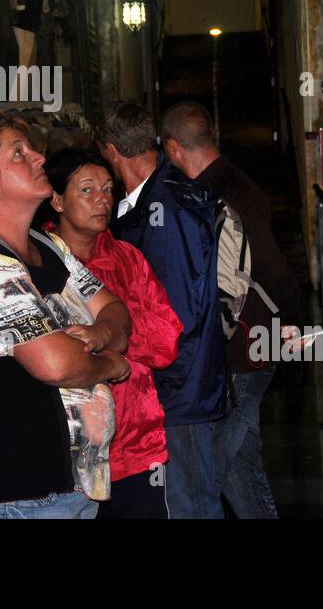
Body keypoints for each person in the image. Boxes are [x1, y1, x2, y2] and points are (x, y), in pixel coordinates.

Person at [0, 115, 132, 518]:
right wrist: (110, 363)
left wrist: (96, 335)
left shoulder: (48, 244)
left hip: (71, 483)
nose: (40, 157)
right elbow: (55, 363)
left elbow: (116, 312)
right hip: (15, 490)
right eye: (19, 154)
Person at [161, 100, 304, 520]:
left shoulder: (213, 195)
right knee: (239, 465)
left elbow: (262, 271)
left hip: (248, 346)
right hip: (258, 340)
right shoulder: (235, 180)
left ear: (172, 147)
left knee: (210, 471)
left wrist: (288, 328)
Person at [98, 102, 229, 519]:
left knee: (188, 505)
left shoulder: (168, 208)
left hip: (178, 389)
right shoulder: (151, 203)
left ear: (111, 151)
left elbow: (178, 317)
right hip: (175, 386)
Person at [39, 149, 182, 519]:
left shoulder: (128, 259)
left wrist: (108, 330)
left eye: (107, 189)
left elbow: (166, 341)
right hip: (65, 449)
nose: (102, 199)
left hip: (134, 446)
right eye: (87, 190)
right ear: (56, 200)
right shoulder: (37, 263)